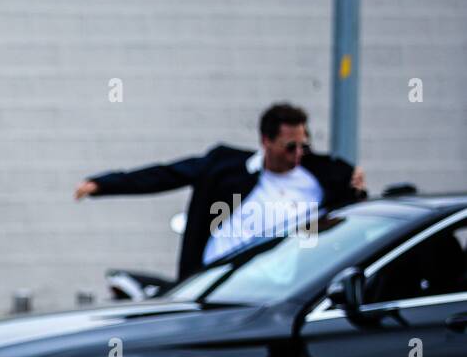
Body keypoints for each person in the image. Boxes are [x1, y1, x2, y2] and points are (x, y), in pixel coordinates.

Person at [74, 103, 368, 280]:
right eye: (289, 147)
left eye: (303, 145)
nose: (297, 154)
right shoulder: (227, 167)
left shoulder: (324, 177)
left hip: (281, 291)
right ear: (266, 140)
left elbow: (353, 220)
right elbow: (167, 174)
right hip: (218, 281)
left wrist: (356, 191)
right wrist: (103, 184)